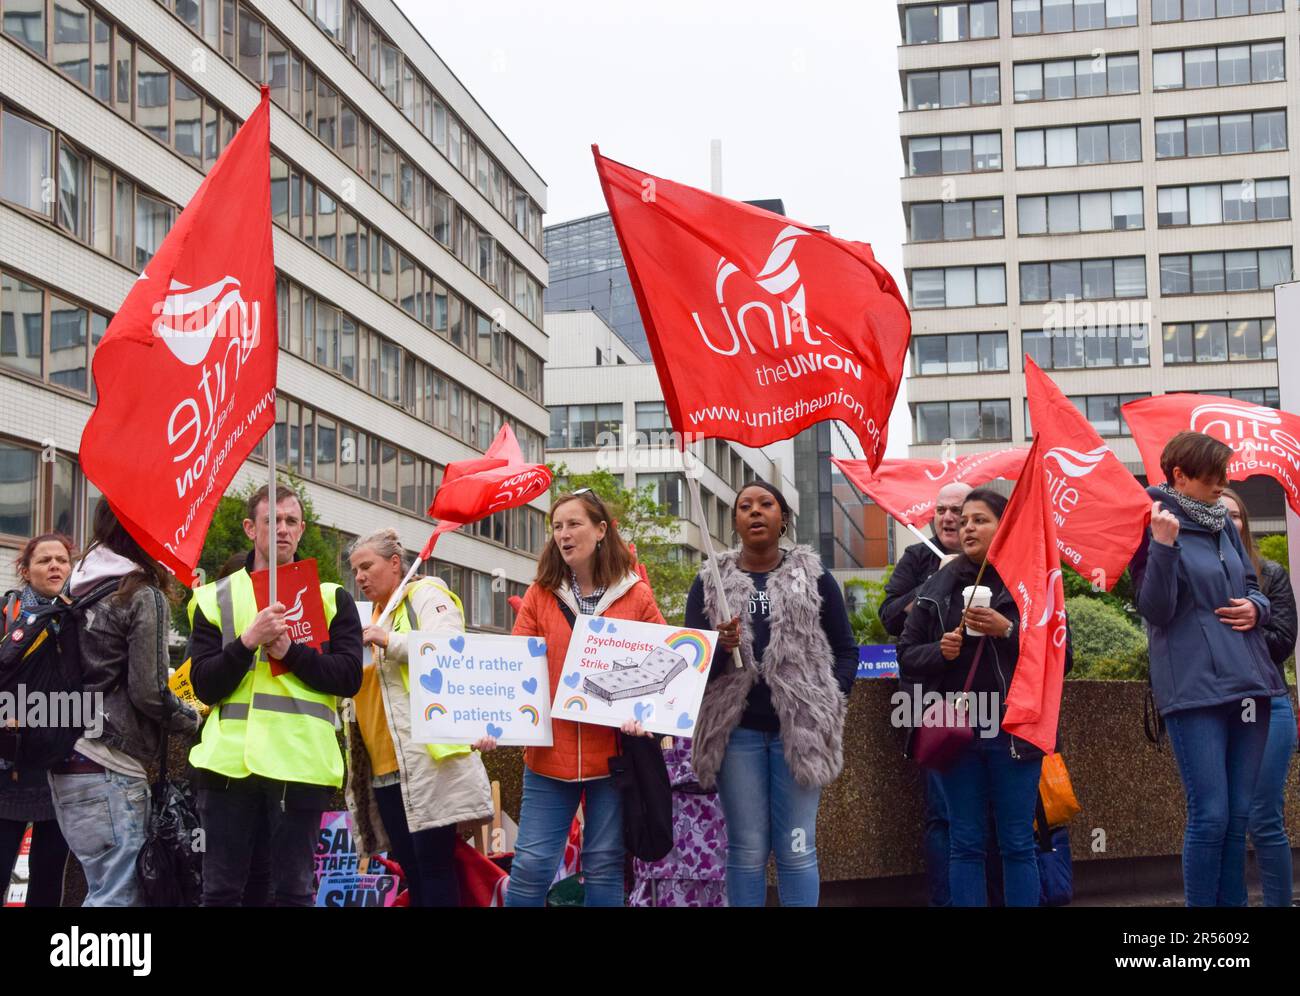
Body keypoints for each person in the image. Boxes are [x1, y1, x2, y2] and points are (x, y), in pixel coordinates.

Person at [187, 484, 363, 907]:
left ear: (302, 530)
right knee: (222, 893)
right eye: (272, 520)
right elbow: (203, 685)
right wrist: (247, 642)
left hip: (300, 765)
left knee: (292, 893)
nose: (281, 529)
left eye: (290, 522)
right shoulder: (215, 598)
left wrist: (291, 653)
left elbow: (348, 677)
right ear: (250, 528)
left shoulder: (330, 598)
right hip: (229, 766)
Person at [1131, 432, 1284, 907]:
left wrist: (1256, 608)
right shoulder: (1153, 522)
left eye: (1226, 472)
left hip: (1249, 684)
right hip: (1194, 689)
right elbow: (1155, 610)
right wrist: (1163, 546)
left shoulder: (1221, 522)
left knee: (1238, 817)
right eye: (1214, 474)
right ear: (1179, 475)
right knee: (1211, 814)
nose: (1225, 482)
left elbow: (1254, 585)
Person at [688, 480, 858, 907]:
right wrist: (715, 645)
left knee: (797, 849)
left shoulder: (814, 575)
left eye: (766, 504)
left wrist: (829, 701)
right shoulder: (711, 579)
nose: (756, 511)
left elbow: (846, 650)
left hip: (799, 733)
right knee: (746, 850)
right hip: (736, 733)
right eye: (745, 506)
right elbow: (687, 661)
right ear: (735, 522)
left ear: (783, 518)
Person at [897, 488, 1068, 907]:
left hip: (1014, 731)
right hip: (955, 732)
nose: (967, 526)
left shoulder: (1030, 584)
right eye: (965, 520)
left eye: (980, 520)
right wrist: (940, 651)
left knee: (1016, 842)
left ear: (1004, 527)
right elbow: (906, 653)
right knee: (965, 843)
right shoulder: (938, 584)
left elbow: (1062, 658)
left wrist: (1006, 630)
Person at [506, 489, 664, 907]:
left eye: (573, 524)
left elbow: (665, 669)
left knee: (605, 864)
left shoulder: (637, 595)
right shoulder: (540, 593)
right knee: (531, 866)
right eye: (557, 526)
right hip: (548, 757)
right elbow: (513, 668)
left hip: (610, 761)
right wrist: (493, 723)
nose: (563, 534)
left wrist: (644, 715)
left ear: (600, 530)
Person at [47, 501, 199, 906]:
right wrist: (190, 718)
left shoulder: (76, 588)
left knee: (101, 887)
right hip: (111, 763)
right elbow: (149, 691)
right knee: (118, 894)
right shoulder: (140, 594)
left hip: (68, 758)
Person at [345, 528, 495, 907]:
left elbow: (448, 649)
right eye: (355, 570)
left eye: (367, 566)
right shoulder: (368, 615)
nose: (359, 576)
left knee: (434, 866)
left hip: (426, 763)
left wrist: (387, 640)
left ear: (395, 564)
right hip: (381, 768)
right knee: (411, 868)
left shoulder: (426, 594)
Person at [879, 480, 971, 908]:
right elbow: (889, 618)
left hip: (984, 702)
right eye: (943, 510)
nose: (950, 517)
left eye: (959, 510)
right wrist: (937, 580)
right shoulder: (919, 557)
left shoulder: (991, 560)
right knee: (941, 812)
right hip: (929, 704)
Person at [1221, 487, 1297, 907]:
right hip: (1215, 708)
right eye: (1219, 514)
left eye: (1235, 515)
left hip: (1269, 702)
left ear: (1245, 524)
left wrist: (1250, 619)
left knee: (1264, 817)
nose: (1228, 521)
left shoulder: (1269, 573)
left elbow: (1283, 643)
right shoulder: (1192, 572)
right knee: (1224, 820)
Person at [1, 534, 74, 907]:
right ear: (25, 570)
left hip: (58, 770)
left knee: (47, 885)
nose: (55, 567)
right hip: (8, 771)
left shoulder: (75, 617)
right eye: (45, 560)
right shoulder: (7, 616)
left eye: (61, 560)